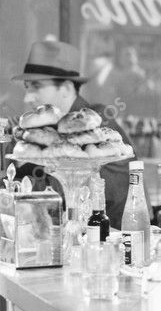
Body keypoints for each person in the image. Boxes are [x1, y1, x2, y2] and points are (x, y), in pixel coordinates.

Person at [12, 40, 132, 226]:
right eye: (27, 88)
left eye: (36, 86)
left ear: (67, 88)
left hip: (114, 242)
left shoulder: (97, 127)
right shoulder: (47, 133)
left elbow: (62, 196)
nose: (27, 98)